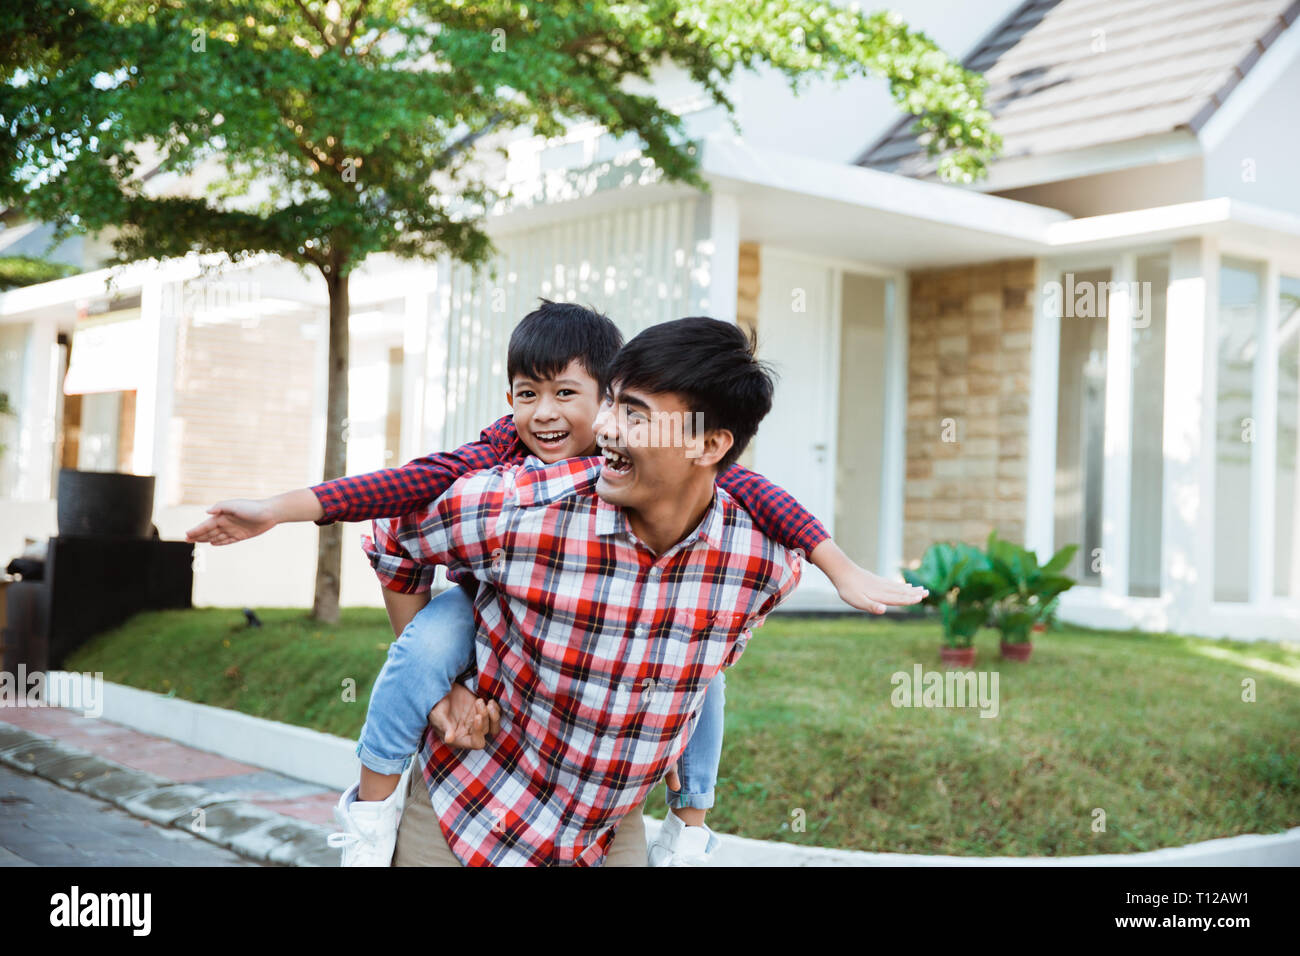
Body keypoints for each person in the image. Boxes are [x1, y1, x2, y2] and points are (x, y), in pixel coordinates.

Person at [187, 304, 927, 866]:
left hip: (605, 824)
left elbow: (763, 527)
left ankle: (694, 824)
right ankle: (370, 810)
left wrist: (841, 564)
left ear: (710, 446)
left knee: (708, 683)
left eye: (630, 413)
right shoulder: (515, 503)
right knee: (433, 641)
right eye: (613, 405)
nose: (601, 428)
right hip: (472, 803)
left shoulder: (760, 562)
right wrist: (440, 686)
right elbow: (393, 524)